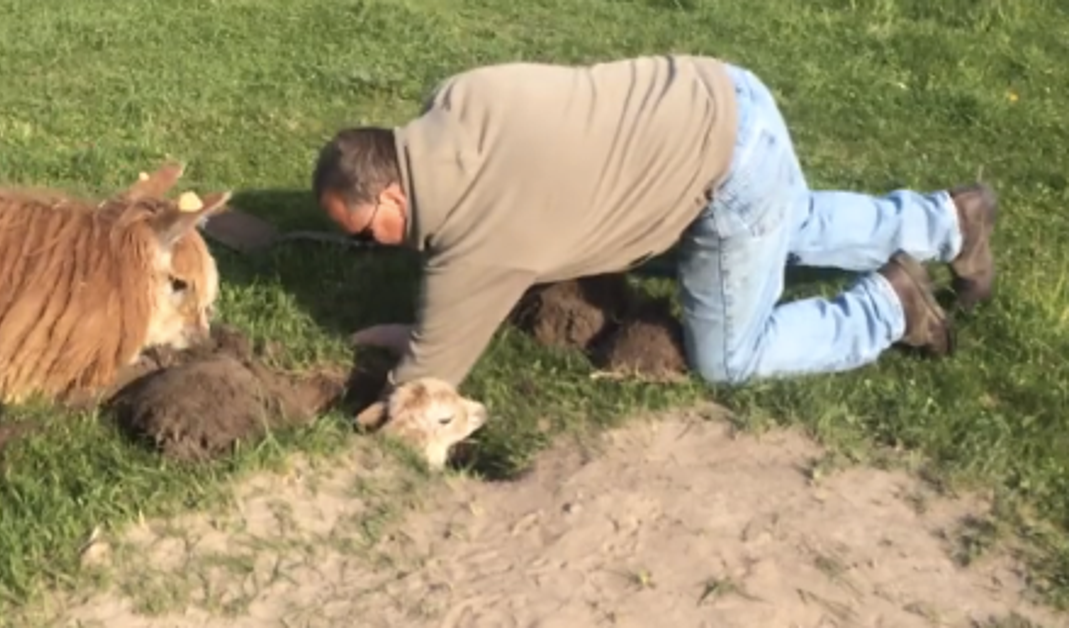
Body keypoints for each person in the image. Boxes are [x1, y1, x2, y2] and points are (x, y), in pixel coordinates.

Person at [308, 53, 998, 393]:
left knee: (730, 358)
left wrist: (406, 346)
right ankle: (947, 223)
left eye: (363, 235)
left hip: (722, 171)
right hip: (721, 92)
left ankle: (886, 307)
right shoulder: (454, 98)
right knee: (789, 220)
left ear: (395, 200)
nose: (364, 249)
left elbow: (426, 381)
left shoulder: (476, 243)